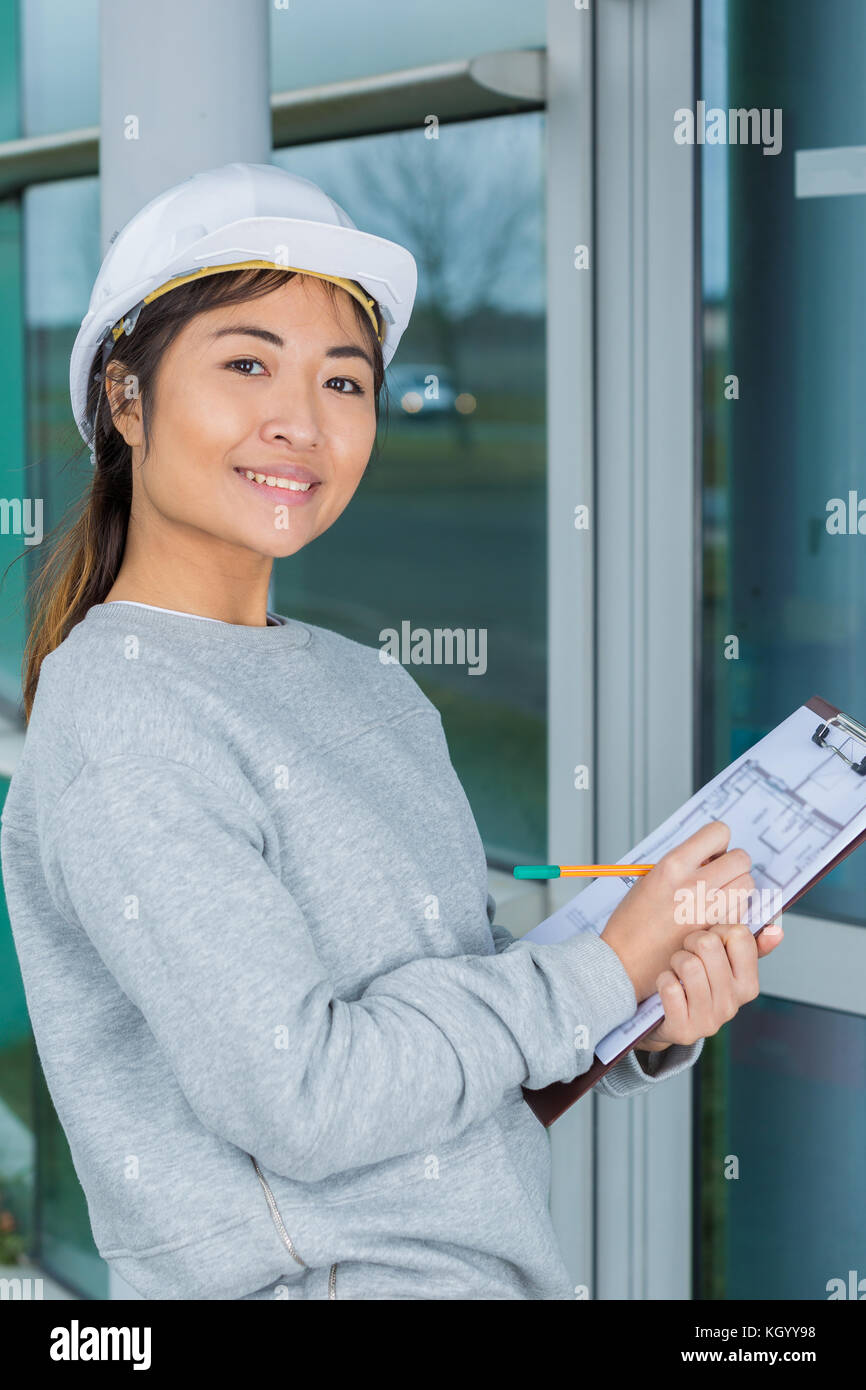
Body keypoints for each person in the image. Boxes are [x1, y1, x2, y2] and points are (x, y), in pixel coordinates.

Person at [0, 162, 782, 1301]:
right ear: (126, 399)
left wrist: (642, 1003)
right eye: (246, 362)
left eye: (345, 381)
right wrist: (600, 968)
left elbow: (445, 1065)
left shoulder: (370, 690)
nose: (300, 423)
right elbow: (304, 1095)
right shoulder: (121, 713)